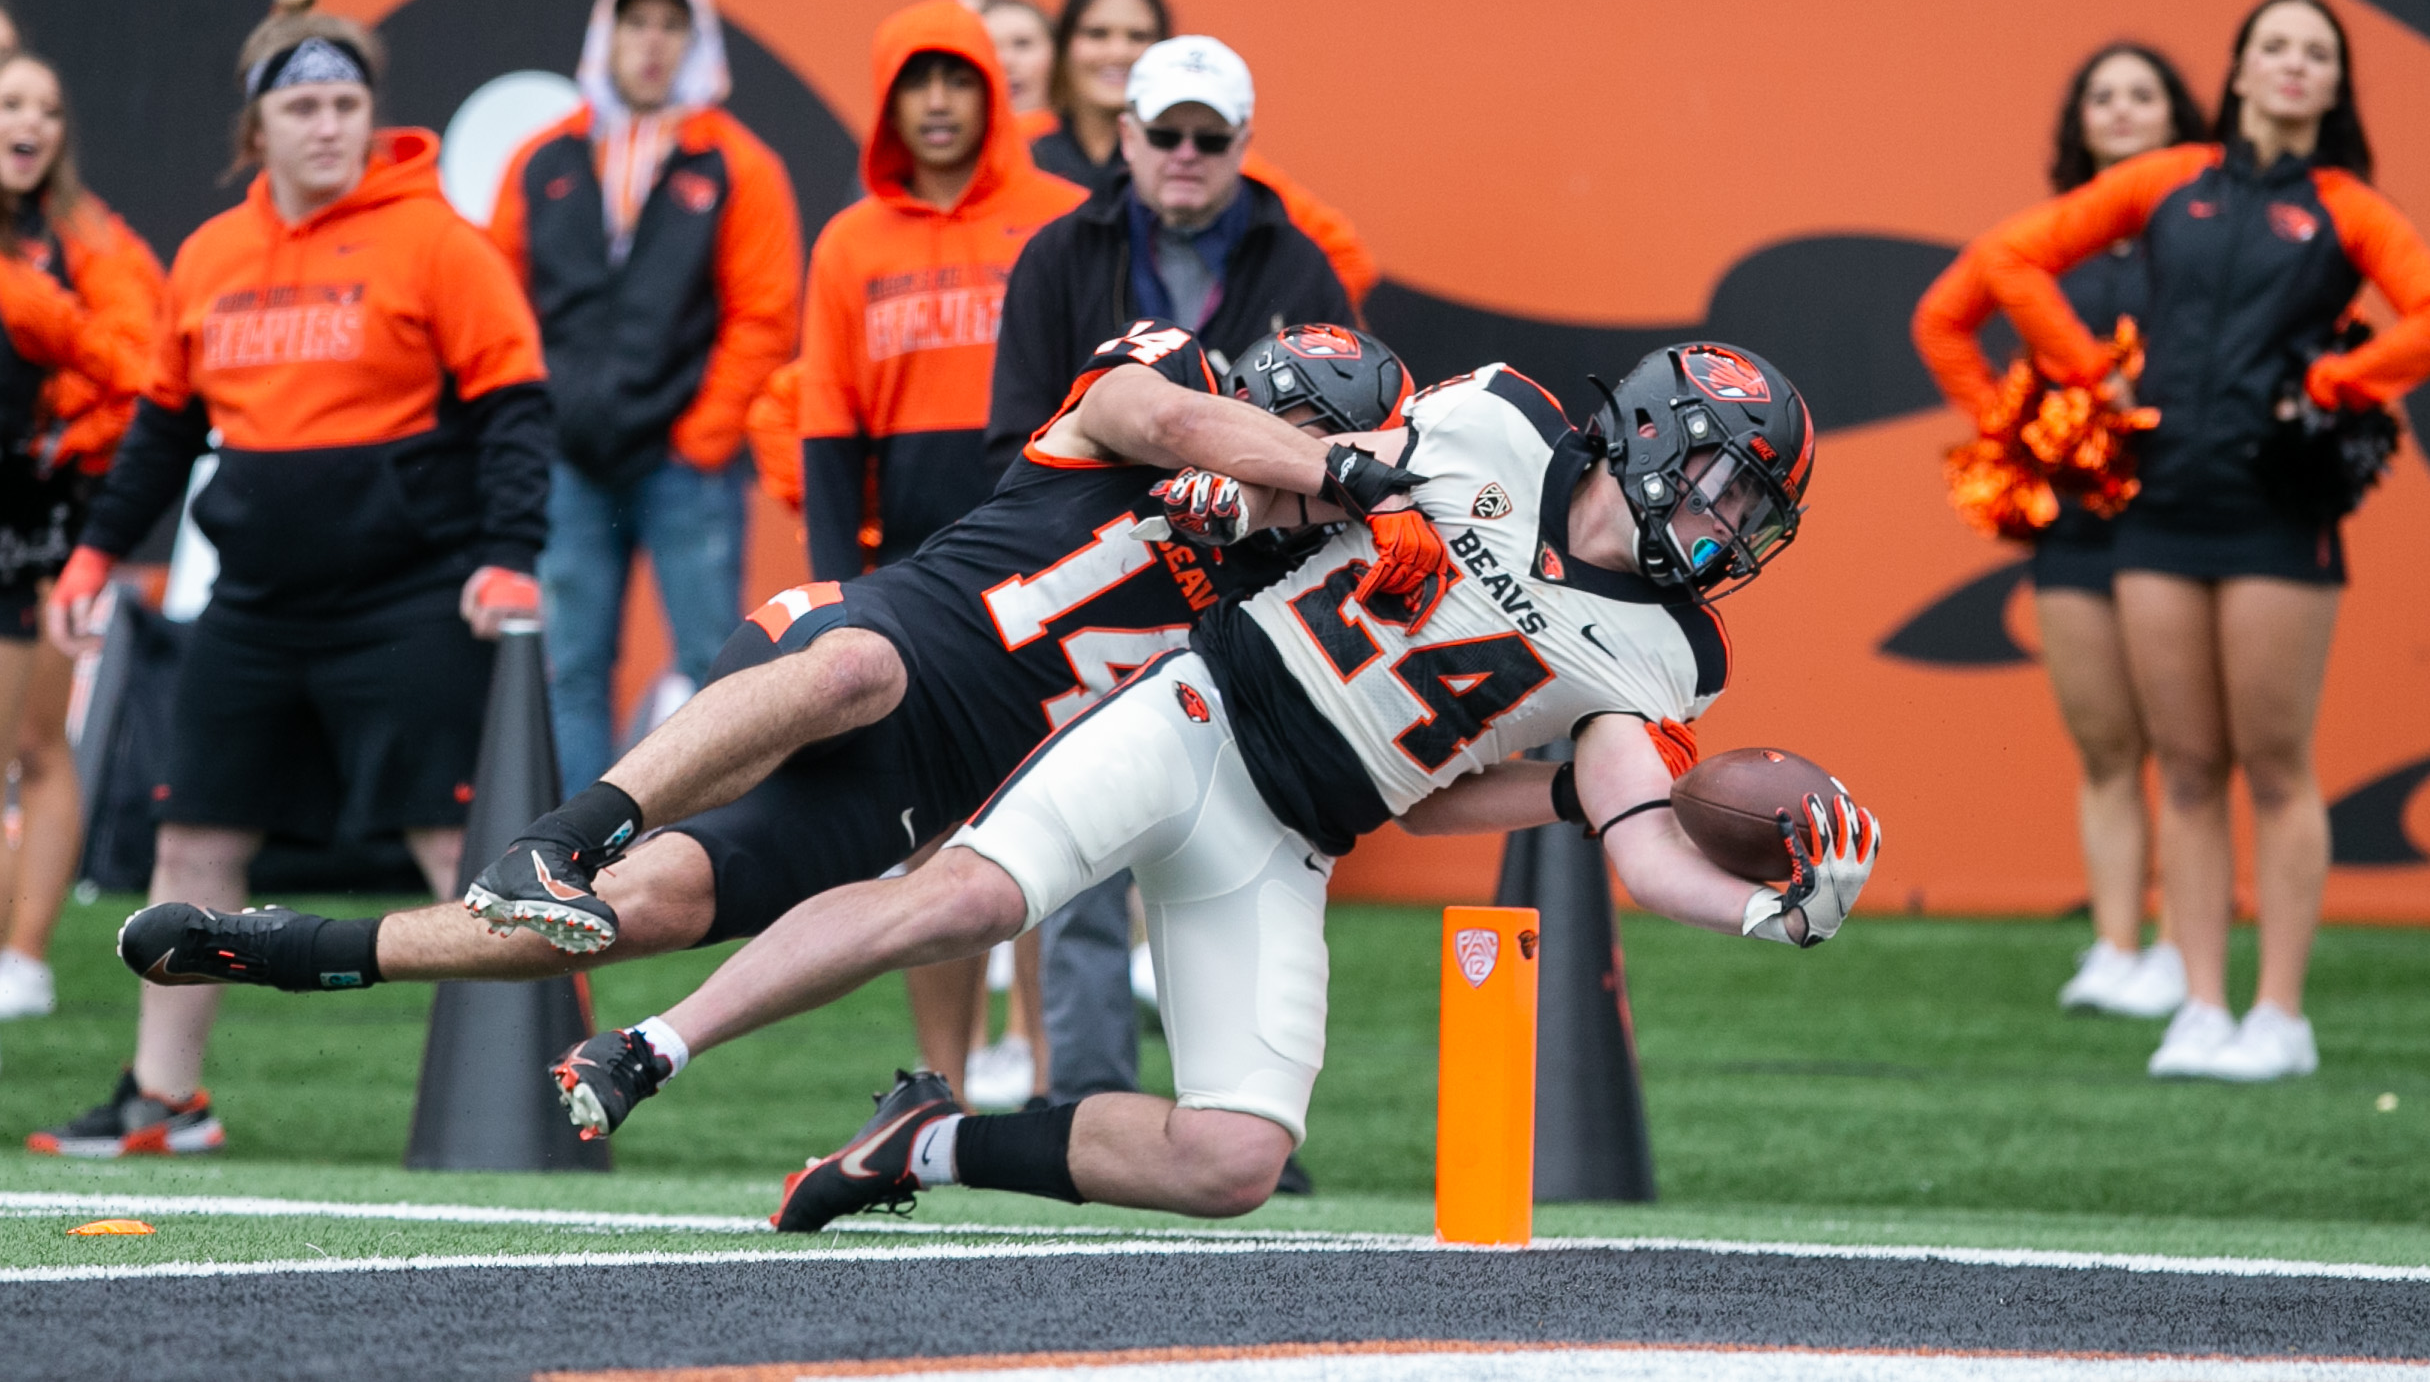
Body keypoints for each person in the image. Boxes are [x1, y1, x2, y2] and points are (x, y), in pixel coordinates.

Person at [541, 342, 1873, 1231]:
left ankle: (929, 1144)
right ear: (1650, 430)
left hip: (1294, 837)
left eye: (1747, 513)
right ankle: (655, 1043)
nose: (1724, 531)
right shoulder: (1494, 421)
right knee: (962, 902)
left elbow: (1636, 848)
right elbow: (1319, 467)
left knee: (1234, 1158)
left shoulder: (1666, 652)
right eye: (1717, 485)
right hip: (1194, 713)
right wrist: (1255, 501)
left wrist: (1773, 912)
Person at [116, 326, 1427, 1105]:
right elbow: (1165, 413)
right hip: (871, 633)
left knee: (656, 913)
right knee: (859, 675)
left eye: (1326, 474)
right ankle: (562, 831)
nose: (1306, 491)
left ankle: (292, 949)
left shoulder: (1284, 593)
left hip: (938, 773)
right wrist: (1338, 474)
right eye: (1300, 447)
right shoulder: (1174, 384)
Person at [29, 0, 552, 1157]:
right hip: (254, 604)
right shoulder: (213, 253)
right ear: (256, 126)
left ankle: (537, 1097)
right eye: (304, 105)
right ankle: (166, 1102)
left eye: (347, 103)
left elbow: (517, 411)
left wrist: (510, 561)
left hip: (409, 596)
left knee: (463, 849)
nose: (328, 126)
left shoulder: (437, 243)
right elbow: (165, 428)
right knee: (193, 841)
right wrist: (97, 555)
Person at [1968, 0, 2430, 1081]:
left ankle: (2280, 1016)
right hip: (2160, 505)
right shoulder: (2167, 180)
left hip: (2279, 513)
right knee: (2184, 767)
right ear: (2237, 70)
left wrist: (2337, 379)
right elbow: (2011, 262)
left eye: (2316, 53)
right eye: (2275, 46)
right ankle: (2202, 1005)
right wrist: (2088, 371)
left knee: (2273, 767)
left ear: (2334, 83)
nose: (2294, 66)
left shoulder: (2345, 207)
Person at [991, 32, 1364, 1120]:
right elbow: (1014, 434)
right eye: (1168, 134)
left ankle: (1245, 1119)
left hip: (1253, 599)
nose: (1187, 154)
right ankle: (1092, 1103)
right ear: (1125, 137)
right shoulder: (1061, 254)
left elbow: (1355, 441)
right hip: (1100, 581)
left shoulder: (1303, 269)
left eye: (1211, 137)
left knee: (1245, 854)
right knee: (1080, 851)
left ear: (1247, 143)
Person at [1911, 42, 2207, 1019]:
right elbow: (1943, 321)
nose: (2122, 112)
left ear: (2178, 117)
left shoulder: (2206, 232)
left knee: (2188, 741)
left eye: (2142, 95)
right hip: (2077, 520)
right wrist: (2011, 430)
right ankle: (2118, 949)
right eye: (2103, 98)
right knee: (2106, 742)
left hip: (2185, 506)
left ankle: (2181, 949)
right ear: (2080, 122)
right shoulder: (2044, 237)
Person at [489, 0, 801, 793]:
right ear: (607, 35)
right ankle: (574, 864)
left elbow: (766, 313)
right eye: (637, 24)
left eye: (671, 26)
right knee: (571, 673)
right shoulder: (541, 161)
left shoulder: (739, 164)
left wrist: (701, 437)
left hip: (682, 464)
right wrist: (540, 427)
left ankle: (715, 860)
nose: (652, 44)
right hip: (570, 462)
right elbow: (499, 307)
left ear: (695, 44)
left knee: (716, 667)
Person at [794, 0, 1085, 589]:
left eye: (958, 81)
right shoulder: (847, 244)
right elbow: (828, 433)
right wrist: (834, 595)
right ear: (886, 102)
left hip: (1055, 544)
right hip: (910, 560)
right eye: (915, 83)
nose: (936, 103)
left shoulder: (1067, 219)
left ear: (991, 93)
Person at [0, 51, 168, 1019]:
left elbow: (141, 365)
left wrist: (62, 424)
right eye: (13, 104)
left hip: (42, 517)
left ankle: (25, 957)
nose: (32, 125)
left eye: (49, 110)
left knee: (35, 742)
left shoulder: (86, 237)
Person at [1028, 0, 1378, 305]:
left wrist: (1261, 335)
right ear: (1062, 44)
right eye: (1097, 34)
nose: (1117, 51)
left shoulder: (1211, 163)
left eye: (1138, 36)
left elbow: (1348, 258)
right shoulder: (1018, 146)